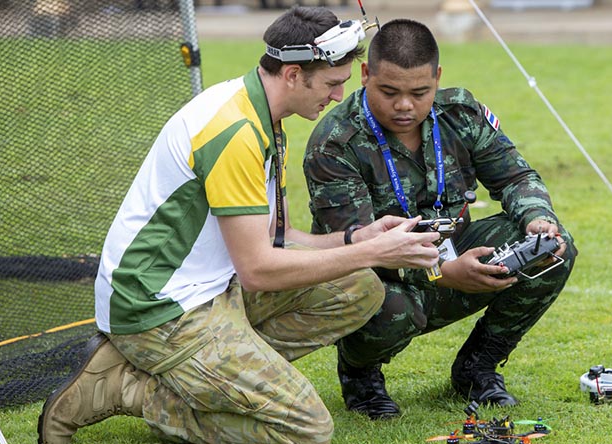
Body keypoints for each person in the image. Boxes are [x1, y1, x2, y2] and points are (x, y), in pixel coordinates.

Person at [37, 7, 441, 444]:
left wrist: (356, 238)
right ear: (292, 74)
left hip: (212, 288)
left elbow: (274, 237)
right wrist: (373, 252)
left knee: (359, 287)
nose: (339, 95)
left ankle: (211, 373)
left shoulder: (262, 113)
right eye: (331, 83)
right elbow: (259, 269)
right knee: (307, 430)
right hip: (158, 309)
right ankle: (130, 389)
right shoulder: (234, 131)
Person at [303, 19, 578, 420]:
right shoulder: (335, 144)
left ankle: (477, 367)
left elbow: (515, 177)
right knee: (391, 306)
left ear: (437, 79)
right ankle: (361, 377)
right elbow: (358, 248)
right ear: (365, 75)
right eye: (389, 92)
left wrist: (538, 218)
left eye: (420, 93)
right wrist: (442, 272)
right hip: (376, 275)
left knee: (550, 250)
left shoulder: (460, 114)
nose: (404, 106)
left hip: (453, 253)